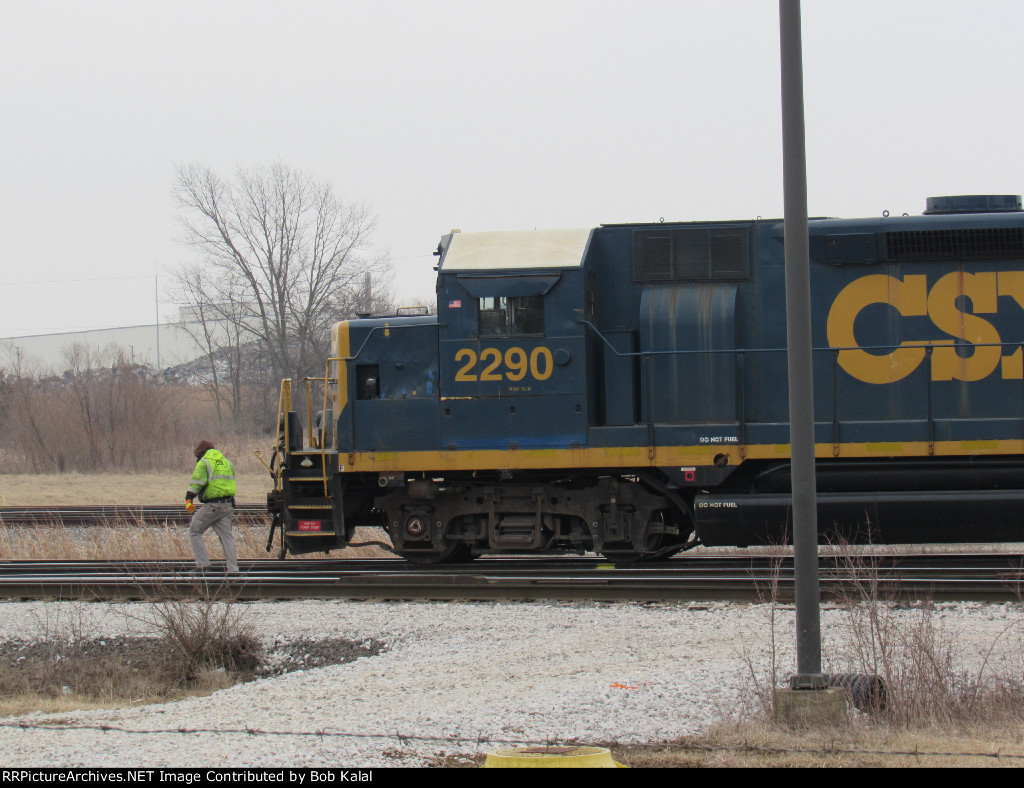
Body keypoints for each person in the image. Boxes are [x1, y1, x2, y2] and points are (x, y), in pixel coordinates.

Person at [185, 440, 239, 575]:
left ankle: (203, 565)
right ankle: (233, 569)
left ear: (201, 453)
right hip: (228, 505)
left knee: (194, 531)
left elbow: (197, 482)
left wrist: (189, 497)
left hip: (213, 505)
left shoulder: (205, 462)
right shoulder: (227, 462)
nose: (197, 459)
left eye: (197, 456)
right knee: (227, 537)